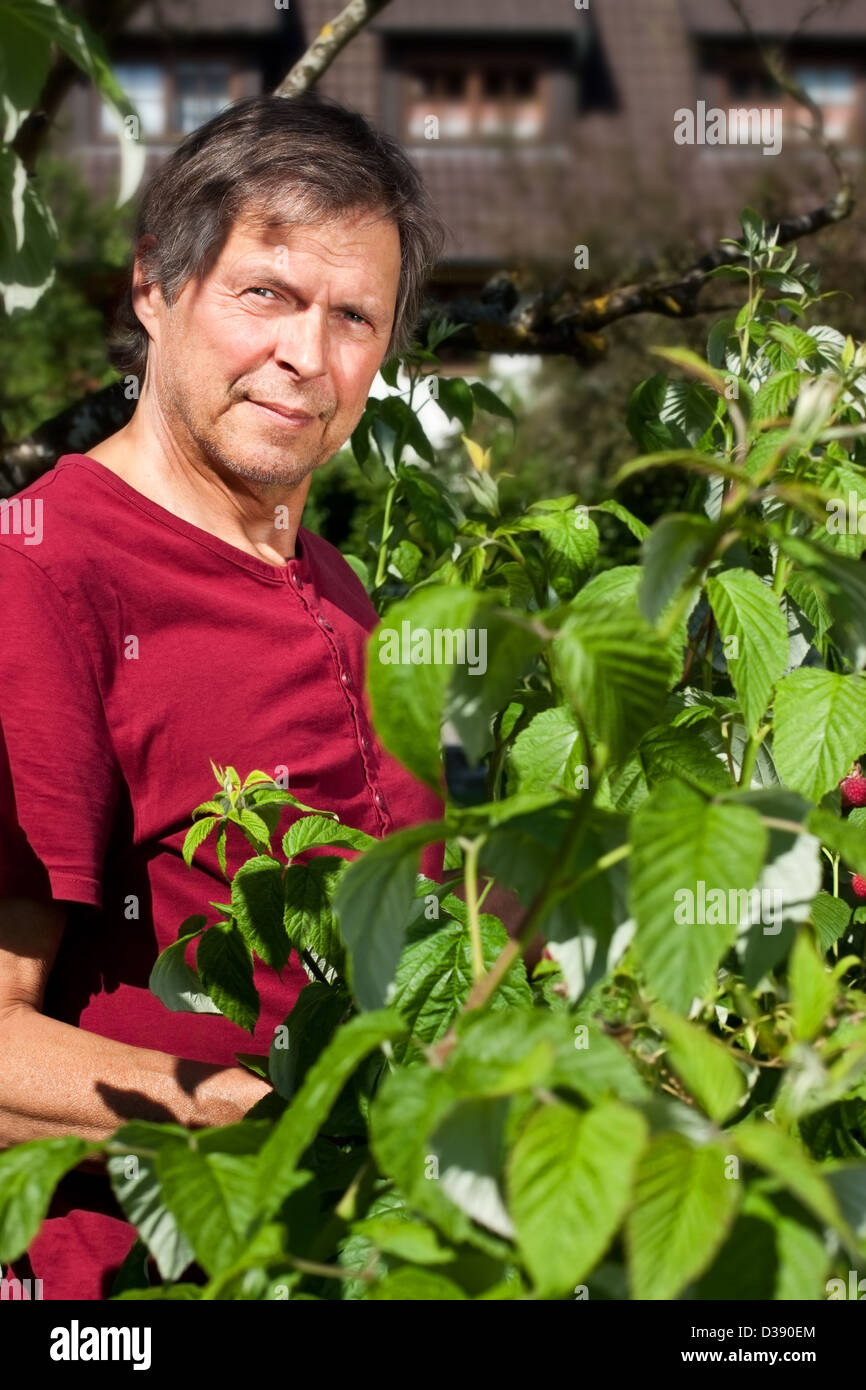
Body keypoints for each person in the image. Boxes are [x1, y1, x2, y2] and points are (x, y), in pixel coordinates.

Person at [0, 92, 448, 1300]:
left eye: (354, 315)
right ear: (154, 285)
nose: (308, 354)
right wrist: (261, 1126)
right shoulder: (40, 573)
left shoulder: (335, 583)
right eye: (267, 294)